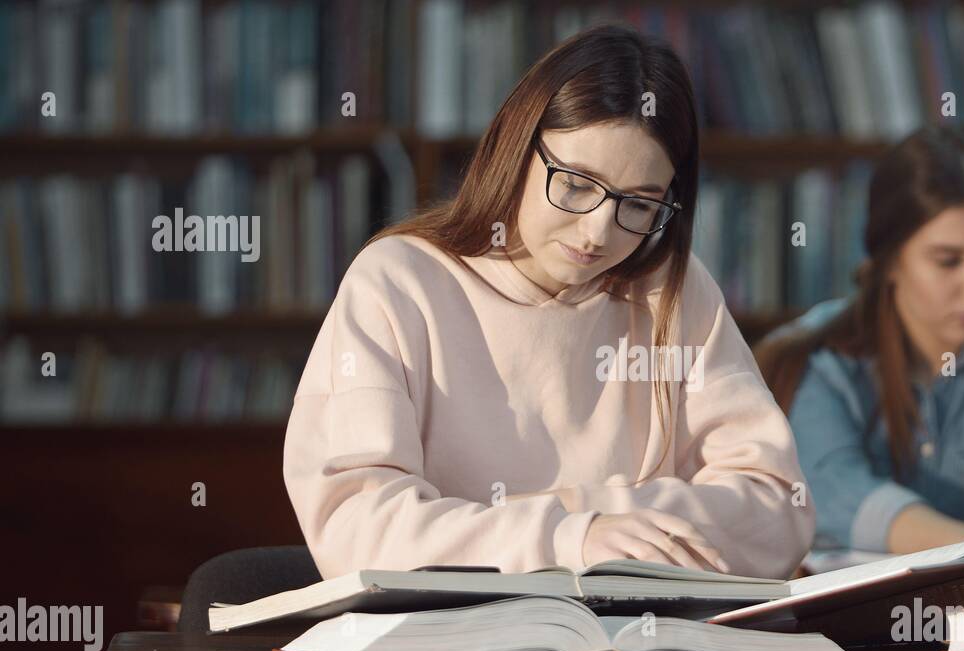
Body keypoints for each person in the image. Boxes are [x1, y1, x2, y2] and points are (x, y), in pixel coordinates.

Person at [282, 25, 814, 581]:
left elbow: (780, 510)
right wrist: (570, 535)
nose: (597, 233)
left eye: (638, 205)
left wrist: (600, 521)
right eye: (578, 184)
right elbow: (356, 530)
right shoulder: (398, 283)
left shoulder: (672, 292)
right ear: (517, 144)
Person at [755, 125, 964, 558]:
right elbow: (837, 495)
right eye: (948, 261)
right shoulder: (817, 357)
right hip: (861, 620)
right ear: (890, 262)